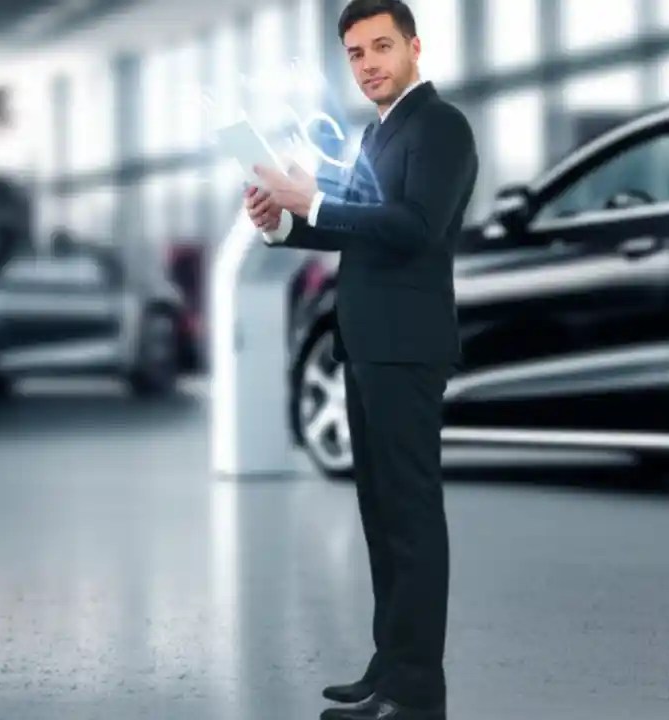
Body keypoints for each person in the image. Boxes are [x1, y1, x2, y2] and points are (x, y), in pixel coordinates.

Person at [244, 1, 477, 719]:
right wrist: (284, 223)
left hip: (406, 347)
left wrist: (312, 201)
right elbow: (360, 233)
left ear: (414, 46)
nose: (369, 63)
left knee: (410, 516)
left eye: (381, 47)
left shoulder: (440, 127)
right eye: (355, 53)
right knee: (381, 514)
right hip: (370, 344)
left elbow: (412, 228)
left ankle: (417, 689)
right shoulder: (380, 134)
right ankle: (390, 667)